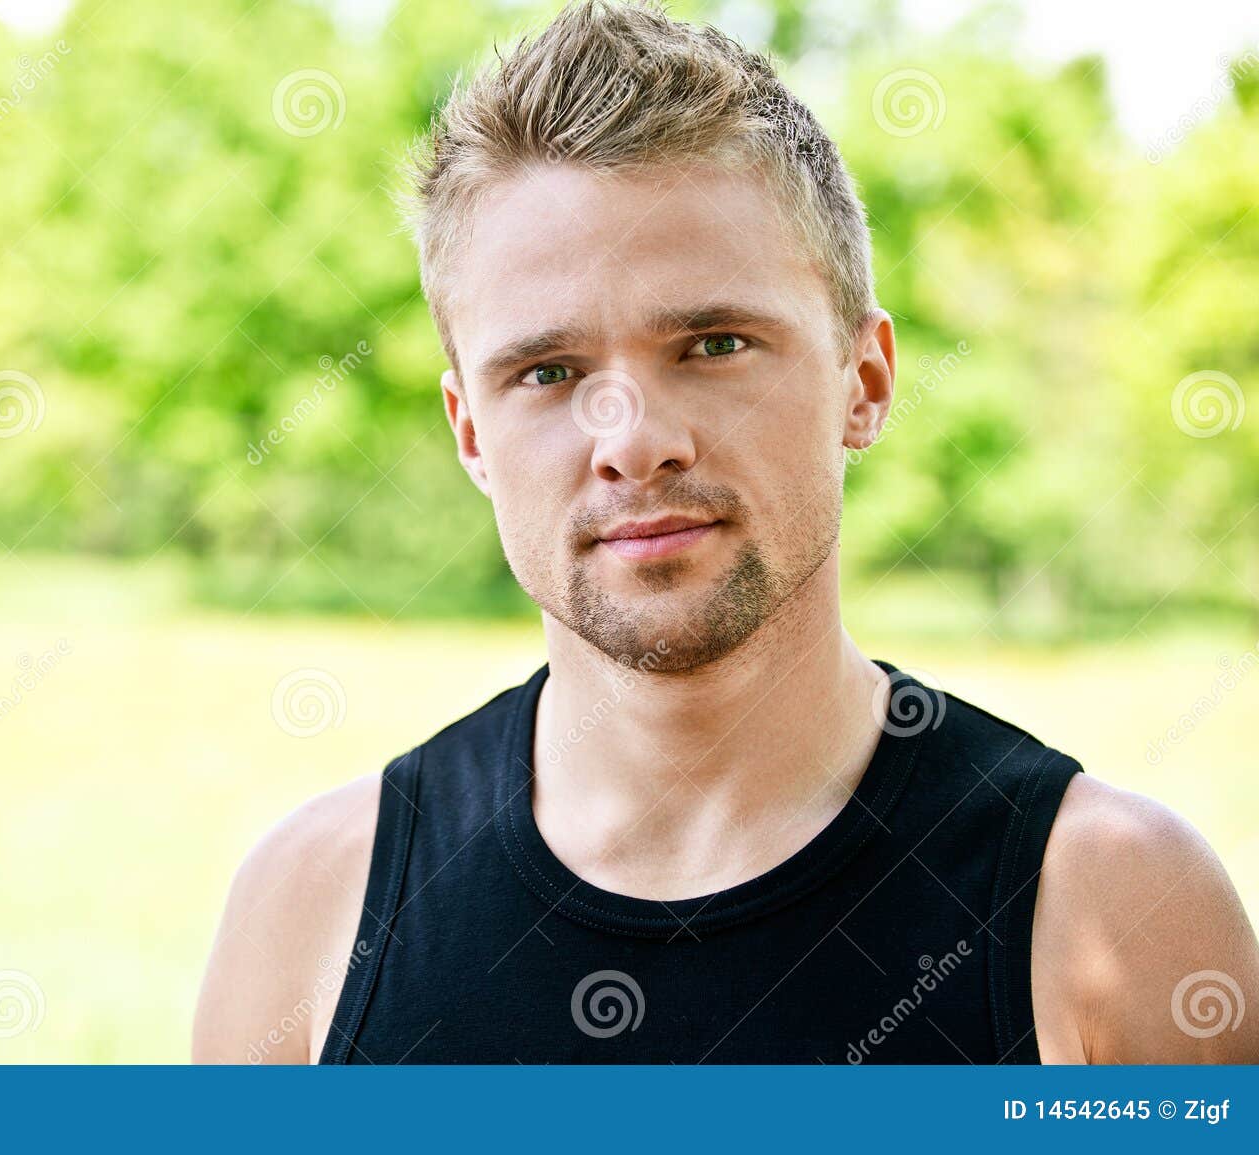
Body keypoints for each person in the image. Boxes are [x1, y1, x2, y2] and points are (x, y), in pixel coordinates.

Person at [194, 0, 1259, 1064]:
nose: (633, 441)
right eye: (549, 373)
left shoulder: (1111, 911)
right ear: (470, 430)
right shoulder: (310, 915)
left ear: (865, 379)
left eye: (710, 344)